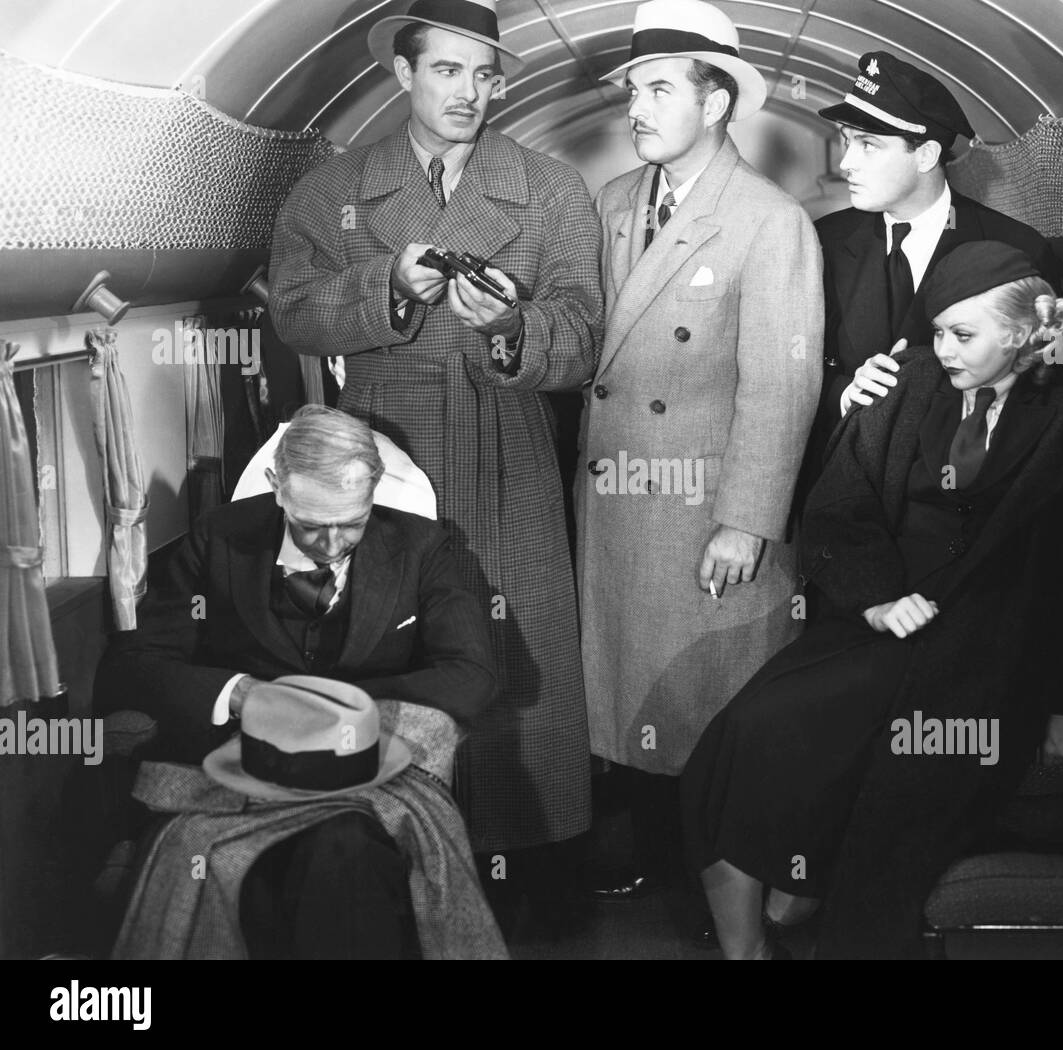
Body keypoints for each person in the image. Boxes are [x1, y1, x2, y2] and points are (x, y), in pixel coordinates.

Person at [681, 241, 1063, 959]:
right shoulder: (908, 382)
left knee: (868, 790)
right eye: (940, 330)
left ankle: (801, 895)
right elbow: (838, 511)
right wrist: (880, 599)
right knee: (746, 733)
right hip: (877, 624)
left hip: (987, 651)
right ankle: (745, 953)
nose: (945, 349)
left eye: (965, 334)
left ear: (1021, 333)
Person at [268, 0, 603, 863]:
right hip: (382, 445)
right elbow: (297, 316)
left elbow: (582, 337)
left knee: (512, 645)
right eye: (447, 70)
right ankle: (390, 843)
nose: (469, 92)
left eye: (485, 76)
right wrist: (390, 286)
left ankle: (520, 853)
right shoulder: (331, 190)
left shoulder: (553, 189)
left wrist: (508, 327)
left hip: (510, 444)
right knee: (391, 639)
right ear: (404, 73)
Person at [95, 405, 502, 958]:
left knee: (343, 851)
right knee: (237, 869)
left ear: (374, 492)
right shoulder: (218, 538)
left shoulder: (424, 548)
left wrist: (331, 709)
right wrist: (238, 693)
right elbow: (132, 666)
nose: (333, 545)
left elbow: (472, 675)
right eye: (312, 525)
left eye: (352, 524)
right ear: (276, 487)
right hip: (236, 776)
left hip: (373, 771)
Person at [575, 0, 823, 903]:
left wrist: (745, 521)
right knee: (629, 701)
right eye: (633, 90)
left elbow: (782, 385)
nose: (636, 108)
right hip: (614, 499)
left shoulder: (768, 220)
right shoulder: (609, 205)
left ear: (715, 104)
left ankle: (719, 887)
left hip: (703, 513)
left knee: (711, 711)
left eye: (659, 89)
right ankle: (653, 860)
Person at [805, 51, 1060, 484]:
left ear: (924, 156)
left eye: (868, 144)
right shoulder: (822, 241)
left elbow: (1047, 379)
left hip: (955, 501)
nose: (846, 161)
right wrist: (844, 391)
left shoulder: (1014, 248)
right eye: (848, 140)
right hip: (848, 492)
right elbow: (789, 366)